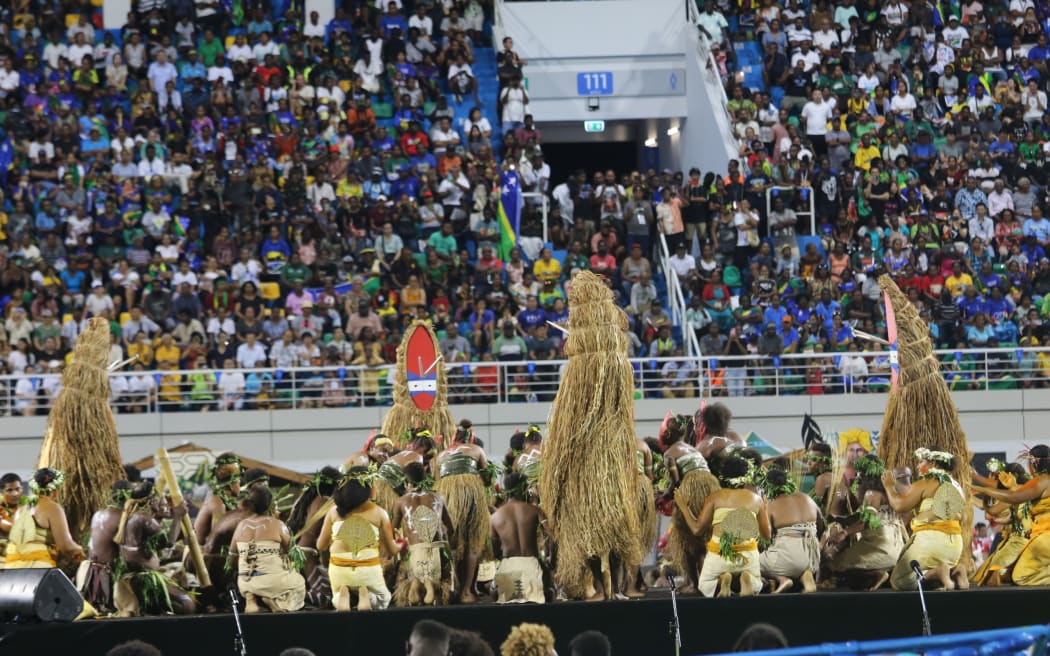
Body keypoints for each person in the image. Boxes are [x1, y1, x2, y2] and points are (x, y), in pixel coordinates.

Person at [675, 455, 771, 597]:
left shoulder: (715, 497)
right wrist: (765, 509)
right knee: (758, 582)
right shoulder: (756, 499)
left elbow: (696, 530)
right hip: (747, 556)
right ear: (746, 477)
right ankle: (748, 578)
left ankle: (721, 581)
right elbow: (767, 536)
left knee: (705, 584)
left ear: (723, 476)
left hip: (720, 556)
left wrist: (684, 507)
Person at [883, 448, 967, 590]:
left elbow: (899, 505)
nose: (917, 466)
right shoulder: (956, 485)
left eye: (921, 461)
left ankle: (939, 571)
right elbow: (960, 516)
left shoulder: (927, 482)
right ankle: (955, 572)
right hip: (955, 545)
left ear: (933, 462)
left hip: (931, 541)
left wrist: (889, 487)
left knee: (899, 581)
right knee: (930, 580)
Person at [317, 467, 399, 610]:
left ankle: (340, 594)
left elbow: (320, 546)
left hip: (339, 569)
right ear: (368, 488)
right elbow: (391, 549)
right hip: (367, 569)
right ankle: (367, 593)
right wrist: (401, 544)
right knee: (384, 599)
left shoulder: (333, 512)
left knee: (336, 592)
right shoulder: (380, 513)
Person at [113, 480, 195, 616]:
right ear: (152, 502)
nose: (167, 507)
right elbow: (168, 542)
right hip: (144, 579)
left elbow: (161, 542)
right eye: (163, 503)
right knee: (187, 604)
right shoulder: (144, 518)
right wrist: (178, 516)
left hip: (140, 577)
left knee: (181, 602)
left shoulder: (138, 517)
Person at [972, 445, 1050, 586]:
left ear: (1034, 463)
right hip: (1035, 536)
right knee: (1000, 574)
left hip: (1037, 537)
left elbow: (1013, 497)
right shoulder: (1037, 484)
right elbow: (998, 511)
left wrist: (983, 488)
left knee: (1019, 577)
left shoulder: (1042, 480)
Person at [659, 412, 721, 592]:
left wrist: (663, 497)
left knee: (685, 540)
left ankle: (694, 583)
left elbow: (676, 483)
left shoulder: (670, 453)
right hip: (710, 489)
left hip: (690, 491)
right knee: (706, 537)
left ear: (667, 435)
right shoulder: (694, 449)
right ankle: (708, 581)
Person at [824, 454, 905, 590]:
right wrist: (839, 519)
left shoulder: (871, 494)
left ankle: (874, 574)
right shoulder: (892, 491)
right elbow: (869, 518)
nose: (857, 476)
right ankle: (877, 574)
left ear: (869, 474)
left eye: (860, 473)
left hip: (879, 545)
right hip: (897, 546)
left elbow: (865, 522)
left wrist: (844, 533)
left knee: (836, 562)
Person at [434, 427, 491, 604]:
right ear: (469, 439)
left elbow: (435, 481)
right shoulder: (476, 449)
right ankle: (466, 591)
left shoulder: (441, 455)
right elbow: (488, 478)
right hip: (471, 492)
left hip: (447, 496)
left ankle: (456, 587)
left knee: (455, 541)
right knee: (473, 540)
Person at [229, 485, 305, 613]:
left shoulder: (241, 525)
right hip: (272, 582)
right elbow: (292, 553)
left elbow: (232, 557)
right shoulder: (278, 525)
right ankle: (276, 601)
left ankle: (250, 599)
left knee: (249, 581)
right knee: (299, 582)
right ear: (270, 505)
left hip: (245, 580)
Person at [391, 462, 454, 607]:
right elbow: (451, 528)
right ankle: (430, 584)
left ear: (406, 482)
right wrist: (449, 547)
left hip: (415, 552)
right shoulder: (438, 497)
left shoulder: (400, 502)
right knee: (444, 589)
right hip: (438, 550)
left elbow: (392, 530)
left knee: (408, 566)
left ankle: (417, 583)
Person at [759, 466, 823, 593]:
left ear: (768, 488)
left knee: (752, 561)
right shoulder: (807, 498)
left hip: (788, 559)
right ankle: (805, 576)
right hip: (813, 559)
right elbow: (822, 526)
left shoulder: (771, 507)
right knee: (798, 563)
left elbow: (765, 538)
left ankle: (782, 579)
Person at [5, 468, 84, 569]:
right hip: (35, 569)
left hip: (11, 570)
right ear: (55, 491)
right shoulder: (52, 507)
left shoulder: (21, 508)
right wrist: (81, 552)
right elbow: (66, 546)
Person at [286, 466, 341, 608]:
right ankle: (286, 596)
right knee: (329, 599)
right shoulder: (329, 503)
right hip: (309, 554)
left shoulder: (304, 497)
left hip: (295, 551)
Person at [972, 460, 1031, 586]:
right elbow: (1009, 516)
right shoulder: (1025, 491)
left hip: (1020, 539)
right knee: (988, 570)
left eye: (1002, 476)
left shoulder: (1015, 494)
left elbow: (992, 511)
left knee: (993, 570)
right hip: (1013, 537)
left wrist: (984, 491)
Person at [490, 472, 546, 604]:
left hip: (508, 567)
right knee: (550, 592)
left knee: (493, 594)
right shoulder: (535, 510)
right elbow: (552, 535)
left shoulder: (495, 516)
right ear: (524, 490)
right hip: (531, 566)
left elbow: (495, 551)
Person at [78, 480, 132, 613]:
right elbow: (127, 550)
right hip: (105, 573)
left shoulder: (98, 514)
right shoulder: (121, 517)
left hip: (91, 569)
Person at [373, 430, 437, 513]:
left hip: (378, 485)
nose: (427, 461)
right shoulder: (417, 457)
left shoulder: (404, 453)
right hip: (388, 488)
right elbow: (415, 482)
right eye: (427, 457)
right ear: (423, 448)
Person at [625, 436, 656, 598]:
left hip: (620, 491)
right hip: (641, 491)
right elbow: (650, 476)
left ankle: (625, 586)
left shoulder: (611, 443)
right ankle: (630, 587)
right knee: (635, 539)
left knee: (627, 540)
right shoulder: (643, 445)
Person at [194, 452, 243, 544]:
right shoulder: (217, 502)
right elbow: (217, 539)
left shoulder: (228, 501)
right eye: (238, 481)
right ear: (232, 484)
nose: (240, 484)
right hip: (202, 555)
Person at [0, 472, 24, 566]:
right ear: (2, 491)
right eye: (10, 490)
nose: (15, 494)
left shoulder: (29, 507)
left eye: (18, 489)